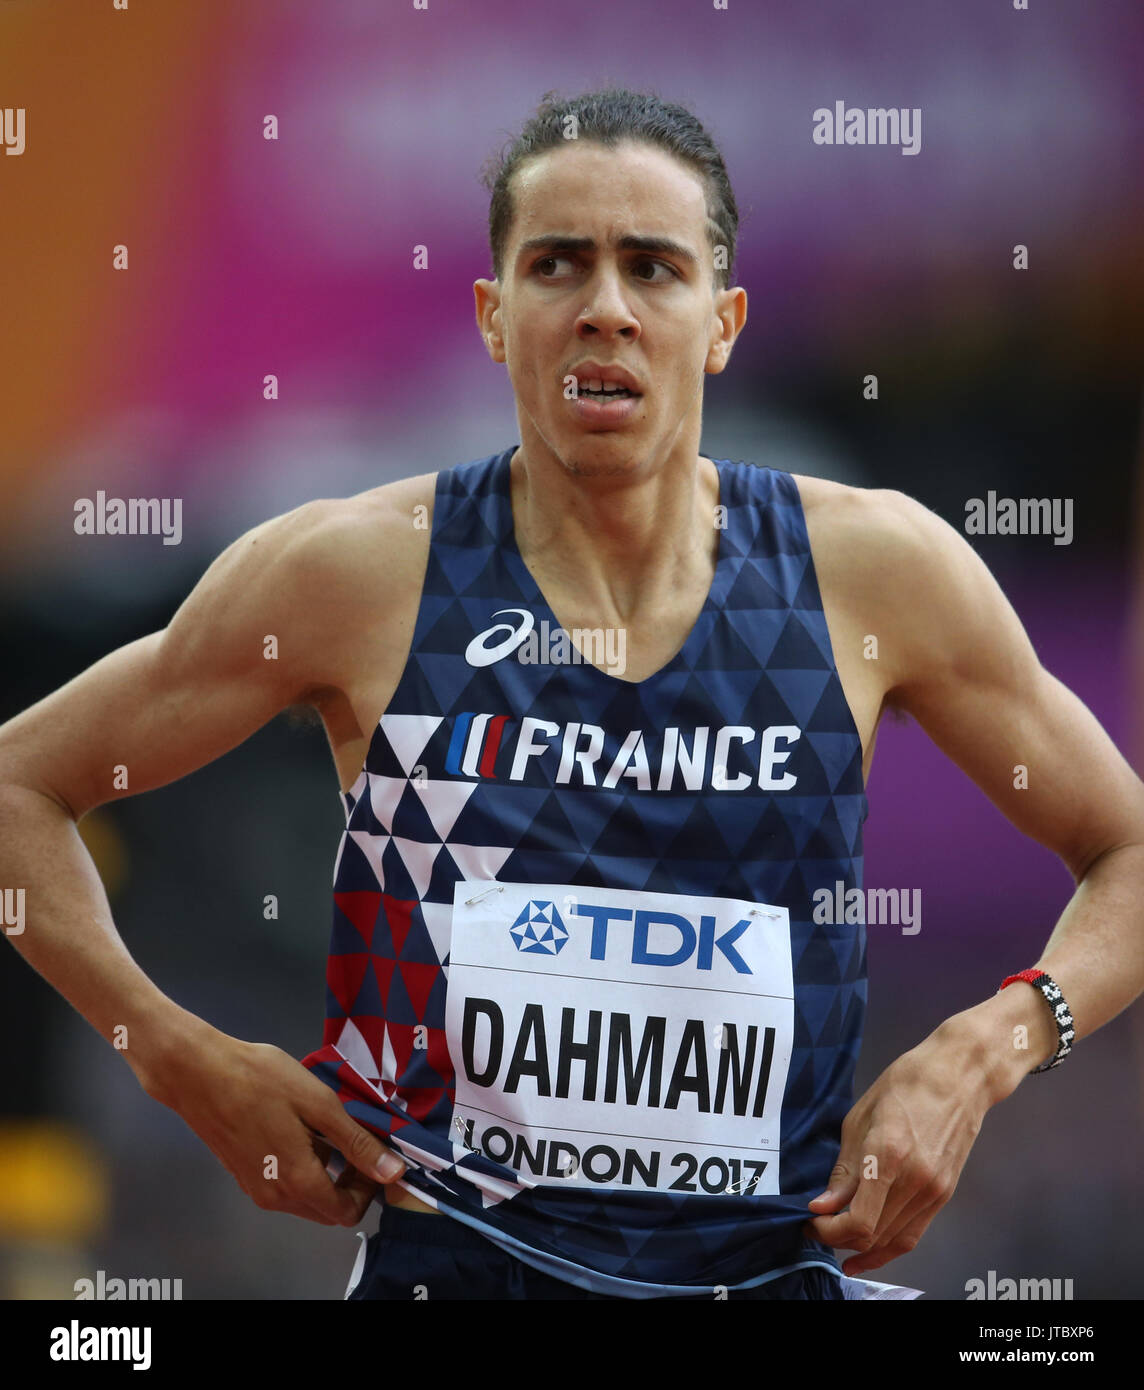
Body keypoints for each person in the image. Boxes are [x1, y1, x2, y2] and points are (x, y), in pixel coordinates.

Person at [2, 88, 1142, 1301]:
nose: (605, 308)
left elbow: (1124, 848)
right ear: (496, 316)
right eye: (559, 265)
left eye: (652, 268)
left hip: (771, 1277)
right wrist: (176, 1057)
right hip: (456, 1271)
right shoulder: (359, 575)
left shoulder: (875, 572)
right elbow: (21, 785)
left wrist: (983, 1050)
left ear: (722, 320)